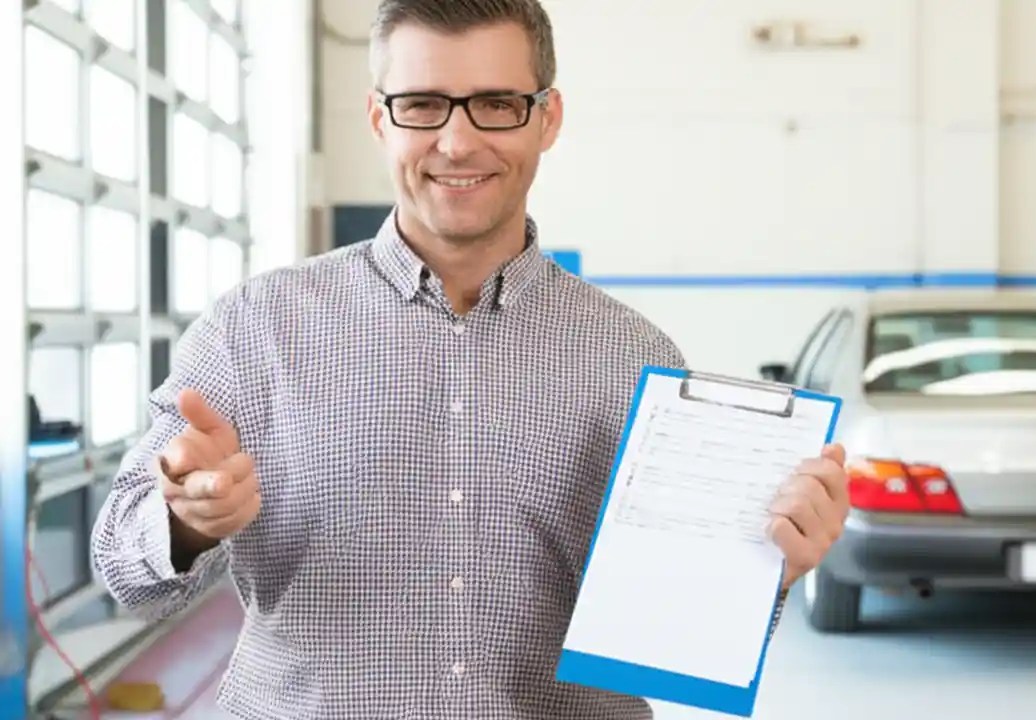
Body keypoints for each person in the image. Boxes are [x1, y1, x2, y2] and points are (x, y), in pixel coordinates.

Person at [90, 1, 851, 718]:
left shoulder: (635, 357)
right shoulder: (255, 329)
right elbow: (124, 568)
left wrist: (761, 570)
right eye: (423, 104)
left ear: (546, 118)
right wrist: (186, 521)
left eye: (496, 103)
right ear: (378, 118)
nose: (457, 142)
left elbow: (672, 632)